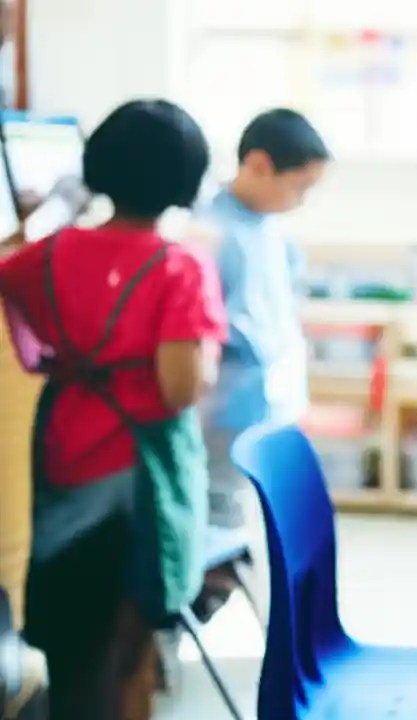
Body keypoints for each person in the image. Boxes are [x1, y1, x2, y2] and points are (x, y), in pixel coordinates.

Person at [0, 99, 227, 719]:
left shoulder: (47, 255)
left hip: (63, 455)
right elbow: (179, 387)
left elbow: (8, 271)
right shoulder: (180, 267)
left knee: (74, 642)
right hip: (140, 480)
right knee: (131, 652)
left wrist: (52, 210)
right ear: (185, 179)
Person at [196, 108, 329, 624]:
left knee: (258, 520)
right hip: (228, 410)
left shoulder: (272, 232)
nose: (301, 201)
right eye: (299, 187)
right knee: (222, 523)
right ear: (258, 165)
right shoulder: (211, 232)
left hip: (269, 404)